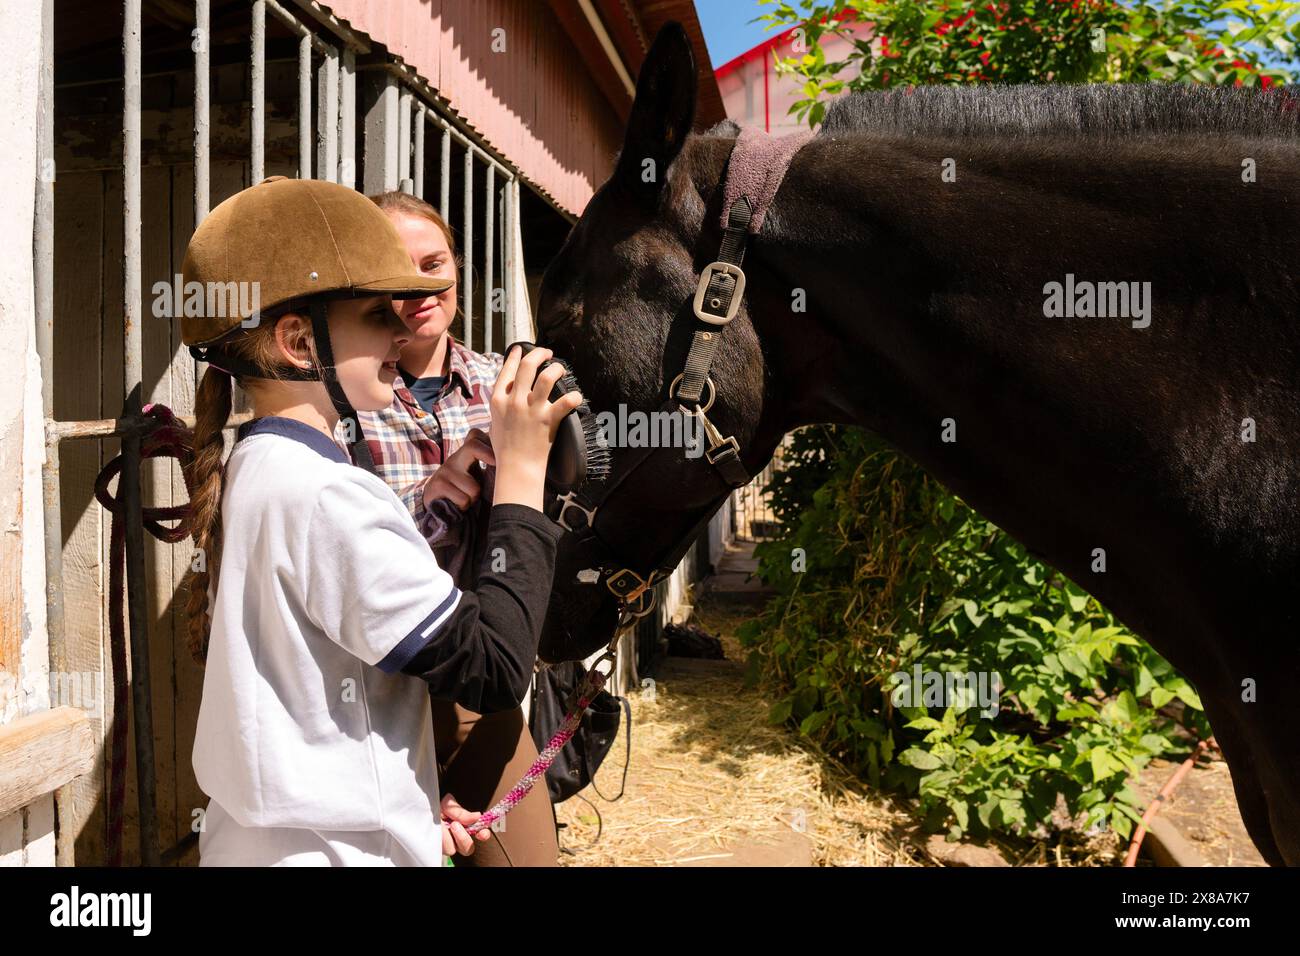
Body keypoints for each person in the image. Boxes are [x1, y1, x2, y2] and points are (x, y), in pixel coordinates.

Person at [179, 176, 580, 866]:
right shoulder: (329, 494)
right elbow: (493, 671)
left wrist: (404, 804)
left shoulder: (257, 463)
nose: (401, 328)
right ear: (299, 342)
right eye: (374, 316)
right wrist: (521, 475)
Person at [355, 190, 559, 867]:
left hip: (477, 674)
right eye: (398, 272)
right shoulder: (345, 393)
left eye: (433, 263)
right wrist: (434, 497)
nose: (422, 289)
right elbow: (341, 543)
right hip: (373, 690)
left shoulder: (507, 383)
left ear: (456, 268)